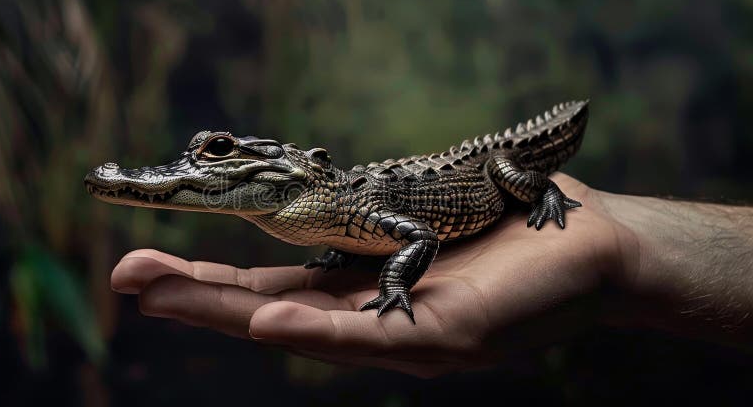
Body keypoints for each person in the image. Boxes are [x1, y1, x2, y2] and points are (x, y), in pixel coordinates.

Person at [110, 173, 753, 378]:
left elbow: (418, 235)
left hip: (485, 177)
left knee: (513, 175)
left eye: (220, 153)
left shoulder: (347, 201)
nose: (199, 169)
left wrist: (393, 287)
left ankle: (551, 190)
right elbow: (369, 237)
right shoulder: (332, 211)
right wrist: (342, 254)